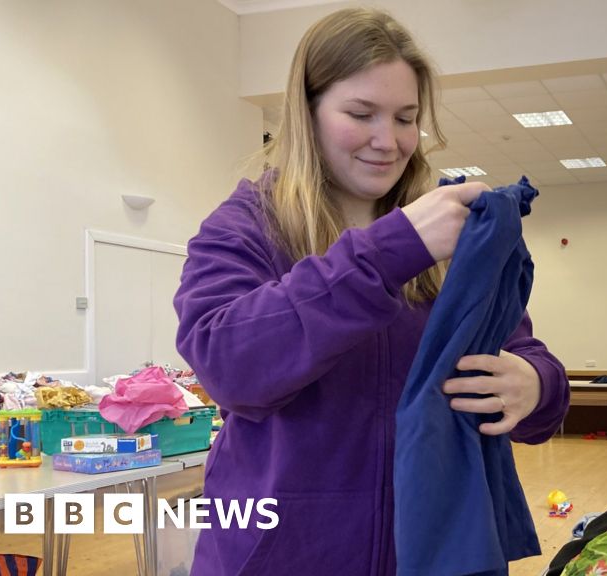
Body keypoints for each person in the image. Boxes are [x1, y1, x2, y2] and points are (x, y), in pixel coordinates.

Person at [173, 7, 569, 575]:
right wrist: (389, 251)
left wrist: (537, 384)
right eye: (361, 114)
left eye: (406, 118)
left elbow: (526, 361)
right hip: (281, 556)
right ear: (306, 112)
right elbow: (229, 367)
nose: (389, 141)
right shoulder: (246, 226)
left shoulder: (457, 235)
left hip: (436, 554)